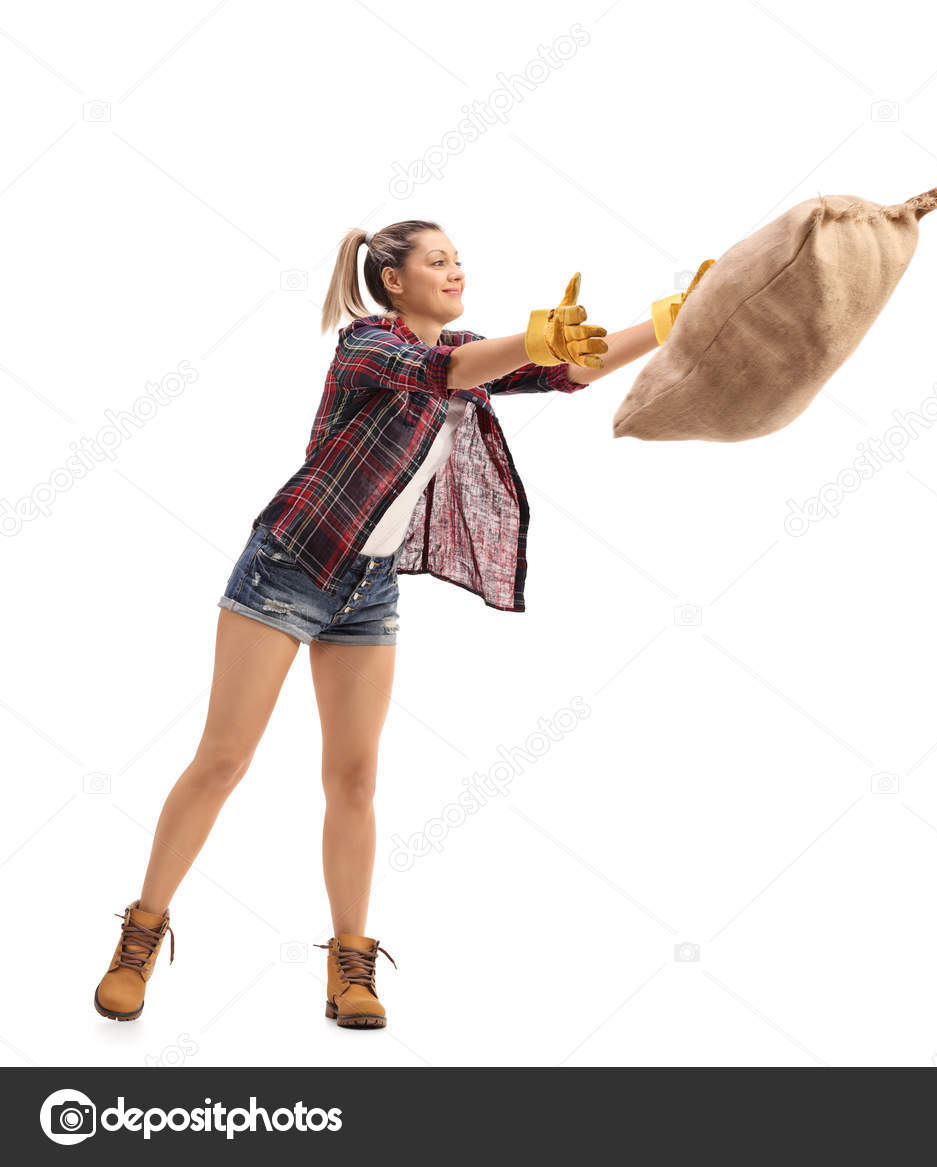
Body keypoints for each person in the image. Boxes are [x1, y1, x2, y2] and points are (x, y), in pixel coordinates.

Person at [93, 217, 710, 1029]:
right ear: (394, 281)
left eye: (460, 260)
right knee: (223, 761)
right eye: (438, 261)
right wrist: (530, 339)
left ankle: (349, 964)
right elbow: (445, 368)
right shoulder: (368, 346)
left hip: (369, 588)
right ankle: (140, 934)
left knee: (354, 779)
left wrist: (670, 323)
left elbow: (565, 368)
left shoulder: (469, 346)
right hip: (288, 567)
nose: (456, 270)